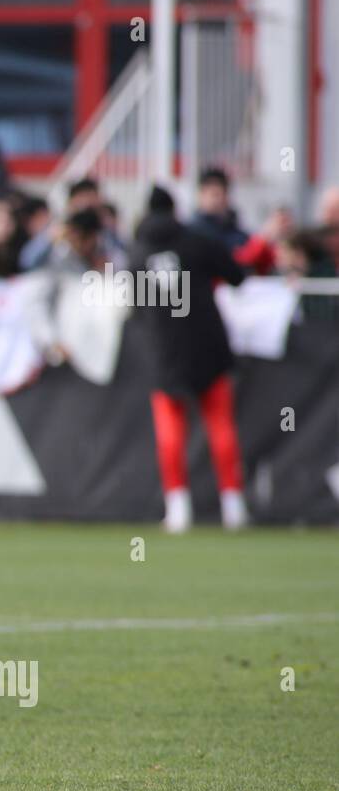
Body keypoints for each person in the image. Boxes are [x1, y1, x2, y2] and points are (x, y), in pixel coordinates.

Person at [128, 186, 248, 533]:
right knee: (221, 427)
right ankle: (233, 506)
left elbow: (136, 308)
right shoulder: (197, 240)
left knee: (169, 433)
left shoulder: (137, 253)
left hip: (164, 350)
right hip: (208, 345)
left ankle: (178, 509)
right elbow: (236, 276)